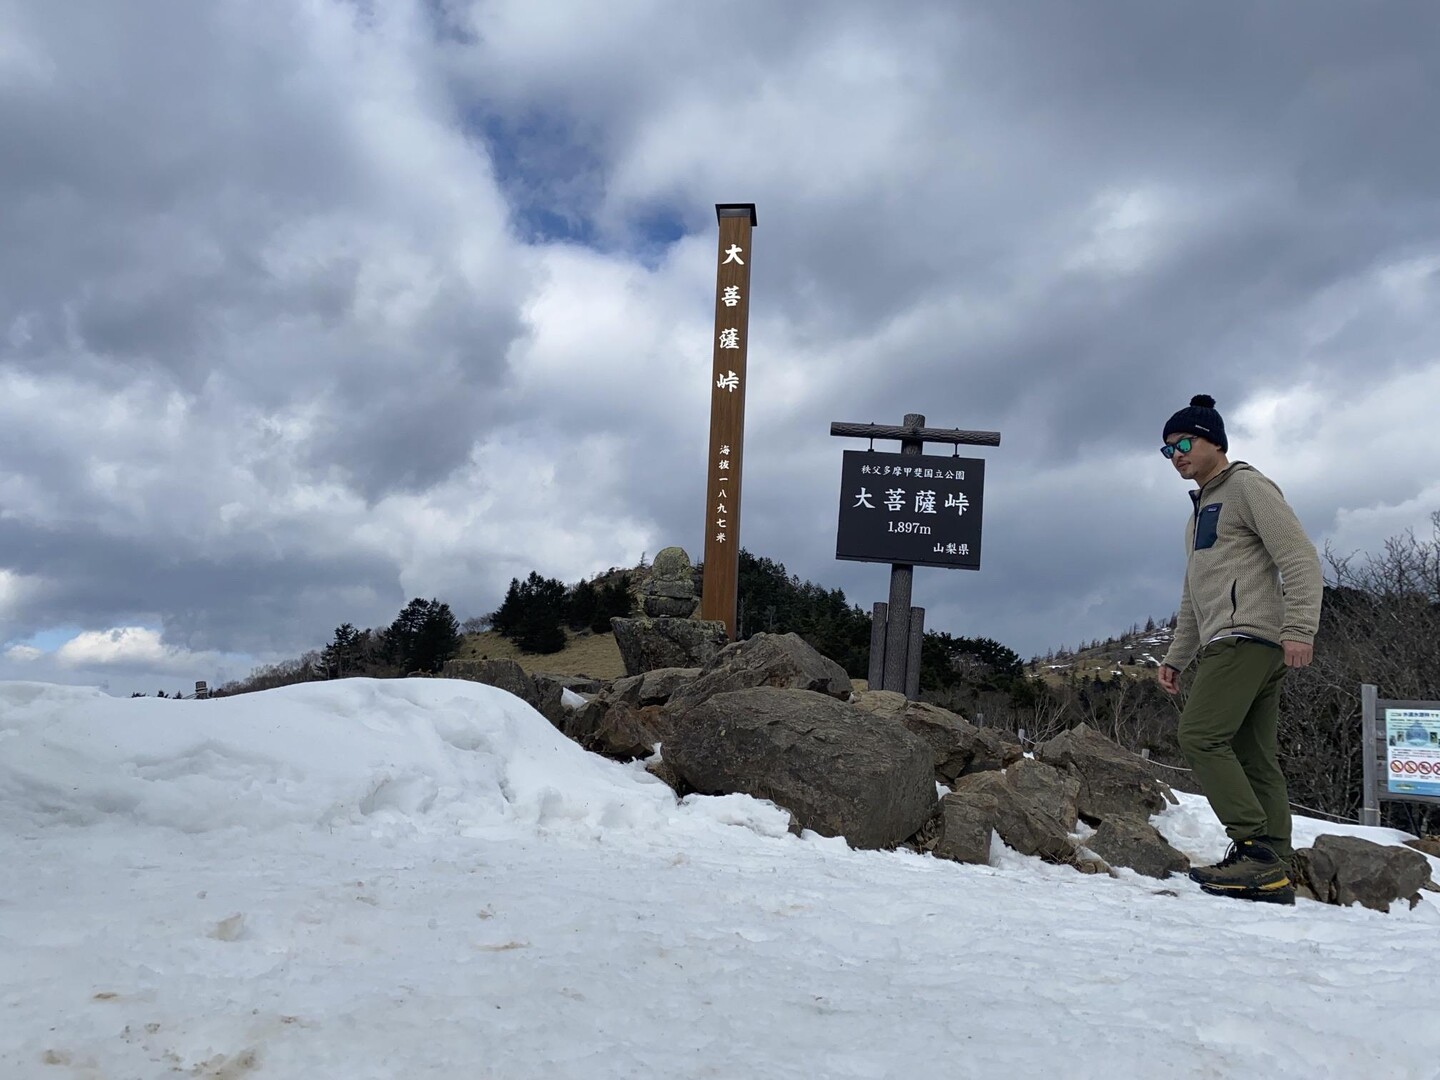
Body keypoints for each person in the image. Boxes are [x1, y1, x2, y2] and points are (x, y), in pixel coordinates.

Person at [1156, 394, 1323, 905]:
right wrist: (1176, 656)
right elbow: (1193, 594)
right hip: (1229, 641)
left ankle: (1252, 846)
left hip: (1248, 636)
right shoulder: (1198, 512)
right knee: (1253, 754)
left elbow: (1298, 556)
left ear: (1215, 442)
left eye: (1183, 443)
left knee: (1201, 734)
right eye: (1167, 451)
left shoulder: (1248, 486)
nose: (1176, 456)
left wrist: (1300, 627)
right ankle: (1274, 865)